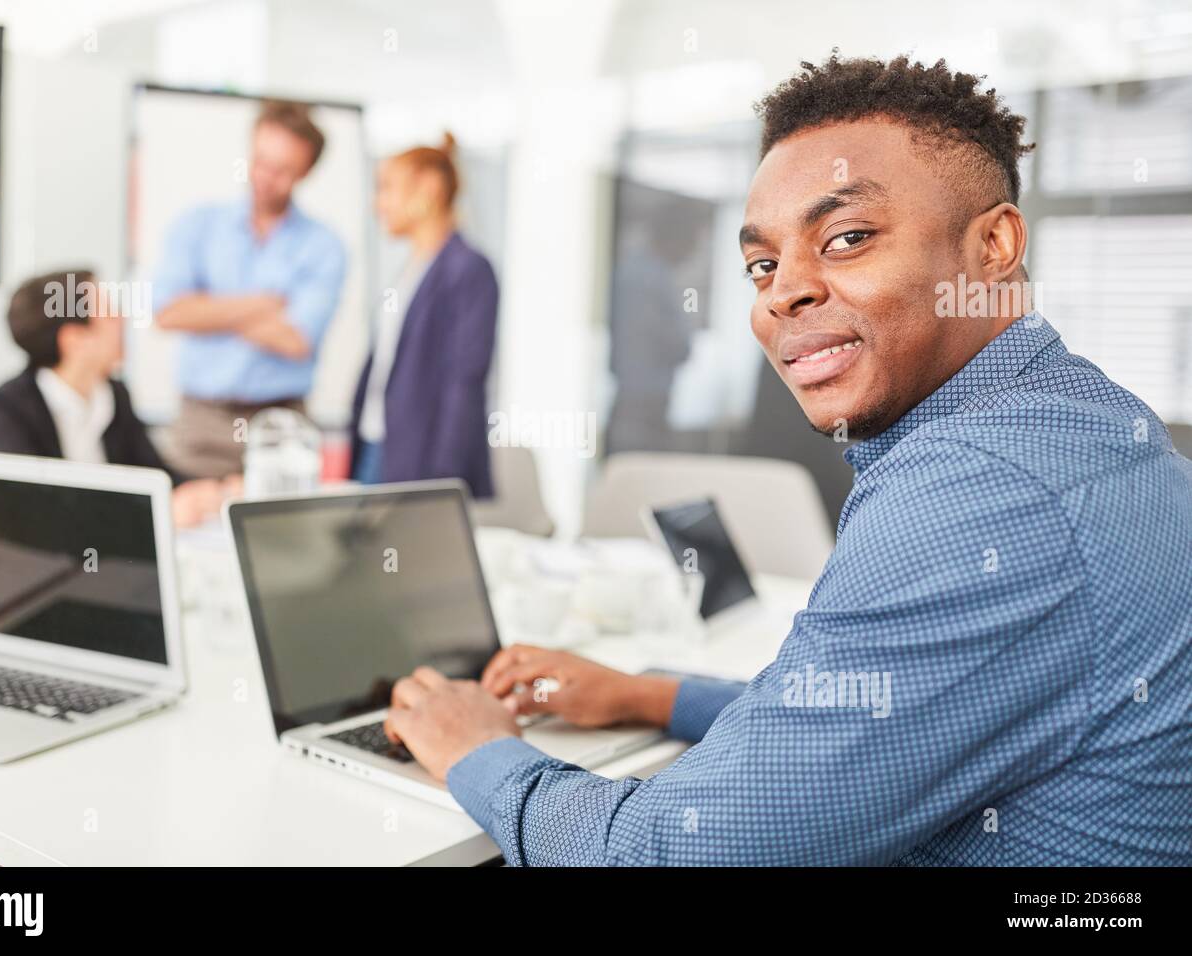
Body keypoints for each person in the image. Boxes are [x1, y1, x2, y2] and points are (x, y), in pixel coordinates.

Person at [377, 54, 1192, 865]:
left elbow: (660, 857)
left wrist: (477, 747)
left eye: (846, 239)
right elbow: (900, 706)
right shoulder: (1088, 419)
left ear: (994, 246)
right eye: (762, 264)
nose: (781, 293)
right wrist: (651, 694)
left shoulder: (976, 491)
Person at [152, 99, 347, 479]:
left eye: (283, 169)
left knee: (282, 534)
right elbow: (169, 313)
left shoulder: (324, 246)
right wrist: (265, 305)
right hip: (200, 425)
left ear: (306, 172)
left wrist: (206, 311)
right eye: (260, 160)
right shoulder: (198, 225)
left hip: (282, 427)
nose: (266, 176)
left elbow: (295, 340)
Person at [0, 268, 236, 527]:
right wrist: (155, 515)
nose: (122, 319)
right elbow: (32, 514)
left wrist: (216, 490)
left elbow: (154, 474)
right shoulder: (4, 414)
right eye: (108, 314)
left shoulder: (113, 396)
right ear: (74, 340)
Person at [349, 133, 498, 497]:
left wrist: (443, 483)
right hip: (377, 445)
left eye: (386, 188)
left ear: (429, 187)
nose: (377, 204)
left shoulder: (468, 270)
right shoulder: (410, 270)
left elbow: (463, 384)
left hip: (421, 463)